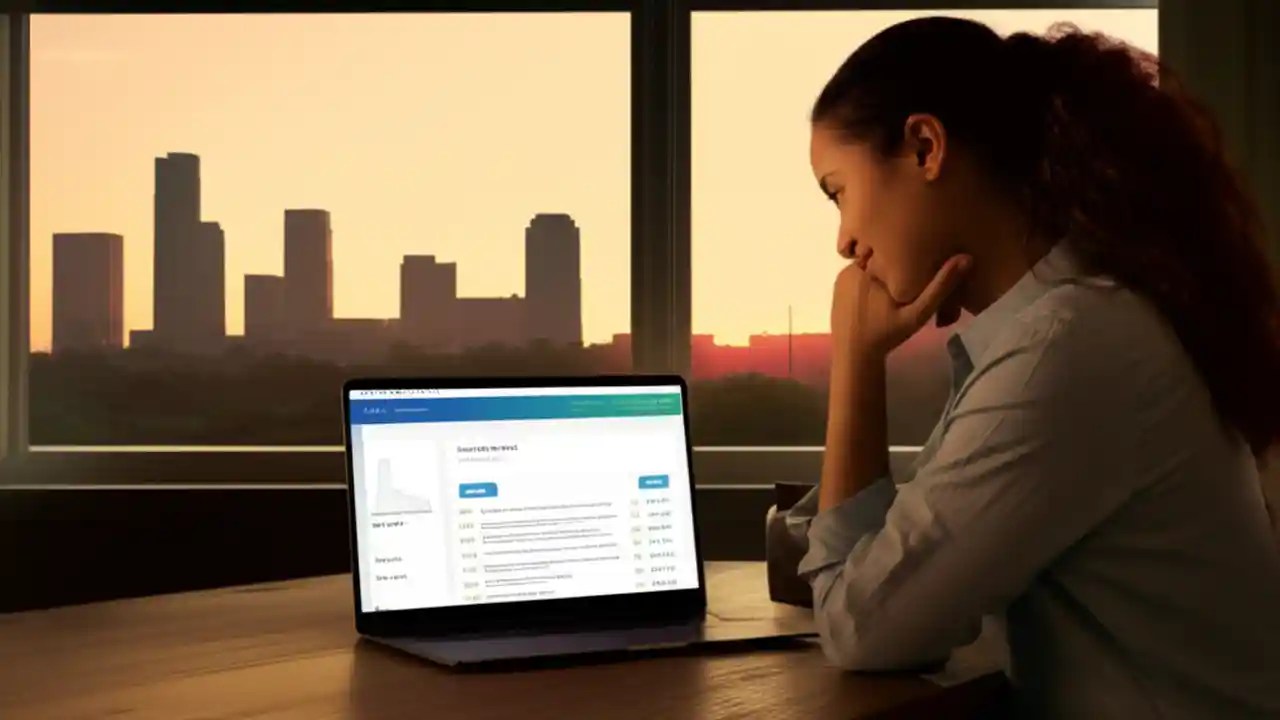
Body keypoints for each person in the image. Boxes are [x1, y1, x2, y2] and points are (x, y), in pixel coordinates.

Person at [781, 15, 1280, 719]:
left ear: (925, 147)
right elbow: (901, 579)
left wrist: (856, 360)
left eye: (838, 191)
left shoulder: (1067, 348)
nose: (844, 241)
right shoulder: (1083, 322)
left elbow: (865, 627)